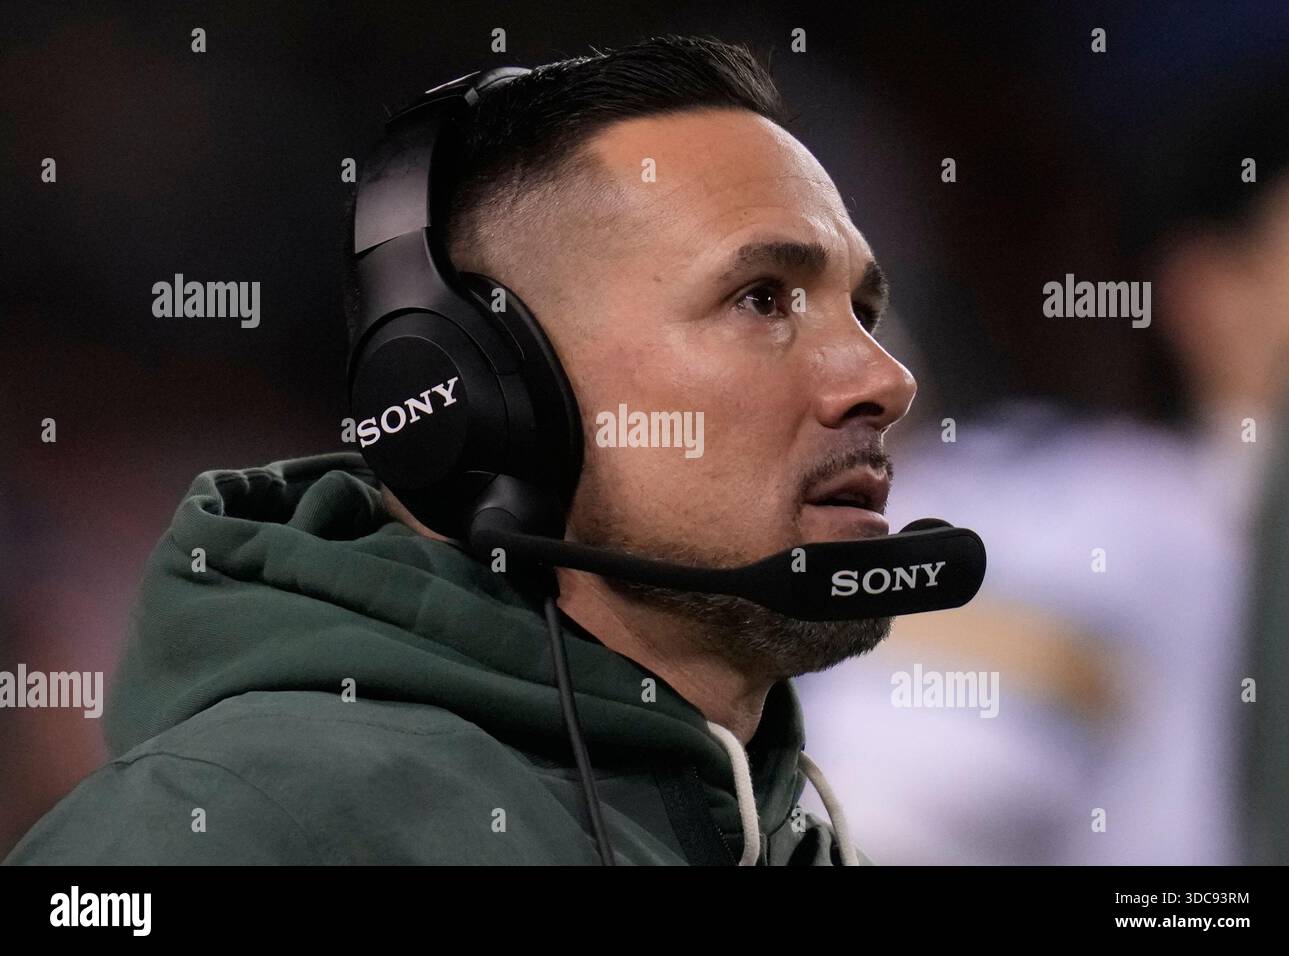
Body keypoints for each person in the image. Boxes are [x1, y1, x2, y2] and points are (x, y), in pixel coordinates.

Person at [4, 35, 915, 866]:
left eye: (863, 313)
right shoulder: (220, 828)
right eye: (762, 298)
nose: (886, 379)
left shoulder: (787, 827)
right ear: (485, 392)